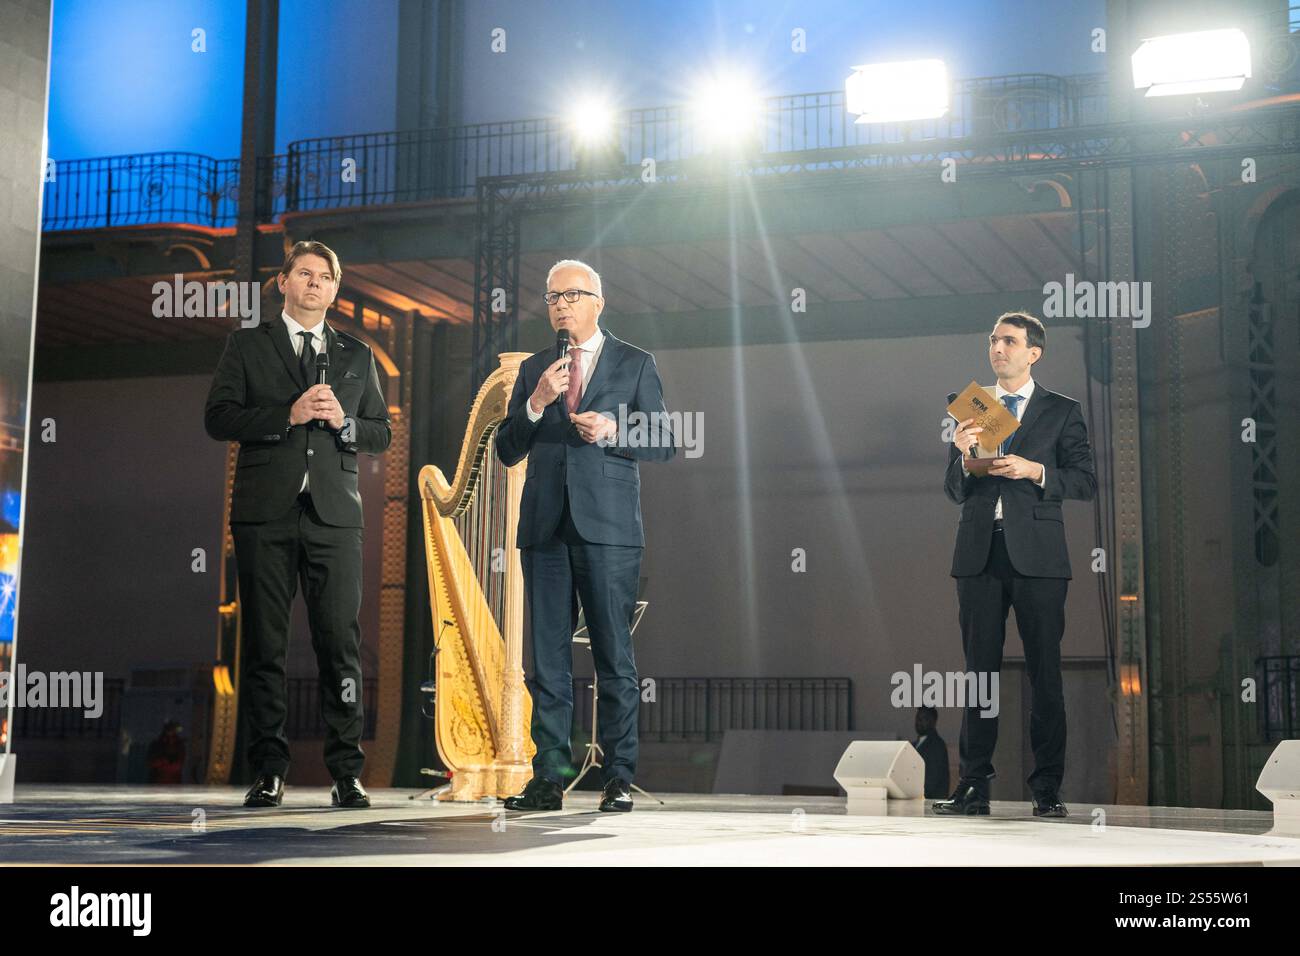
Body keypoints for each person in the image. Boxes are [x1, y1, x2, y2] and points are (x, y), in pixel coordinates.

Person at [204, 240, 391, 809]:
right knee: (266, 644)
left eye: (325, 276)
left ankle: (347, 772)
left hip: (335, 517)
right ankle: (268, 769)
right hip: (265, 514)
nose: (314, 283)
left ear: (336, 288)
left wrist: (347, 424)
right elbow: (219, 417)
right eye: (303, 273)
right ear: (282, 282)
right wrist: (285, 415)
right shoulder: (246, 346)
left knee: (341, 644)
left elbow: (380, 432)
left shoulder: (357, 354)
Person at [495, 259, 674, 813]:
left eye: (572, 294)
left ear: (599, 301)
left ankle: (618, 775)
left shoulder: (634, 362)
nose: (561, 305)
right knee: (548, 660)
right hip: (546, 527)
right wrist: (536, 404)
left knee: (613, 655)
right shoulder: (534, 370)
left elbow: (666, 437)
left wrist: (615, 429)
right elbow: (506, 448)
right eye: (552, 297)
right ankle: (548, 776)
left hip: (609, 529)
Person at [935, 311, 1095, 817]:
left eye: (1009, 341)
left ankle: (1046, 789)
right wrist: (961, 457)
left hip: (1040, 558)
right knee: (978, 673)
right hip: (980, 553)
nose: (997, 348)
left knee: (1044, 674)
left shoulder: (1062, 411)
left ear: (1033, 352)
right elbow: (955, 491)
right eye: (993, 340)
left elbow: (1086, 481)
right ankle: (973, 786)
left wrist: (1036, 469)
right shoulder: (972, 408)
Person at [913, 707, 950, 799]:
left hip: (930, 803)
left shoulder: (937, 745)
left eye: (923, 719)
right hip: (919, 800)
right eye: (917, 718)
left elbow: (932, 780)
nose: (919, 722)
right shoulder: (914, 745)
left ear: (933, 722)